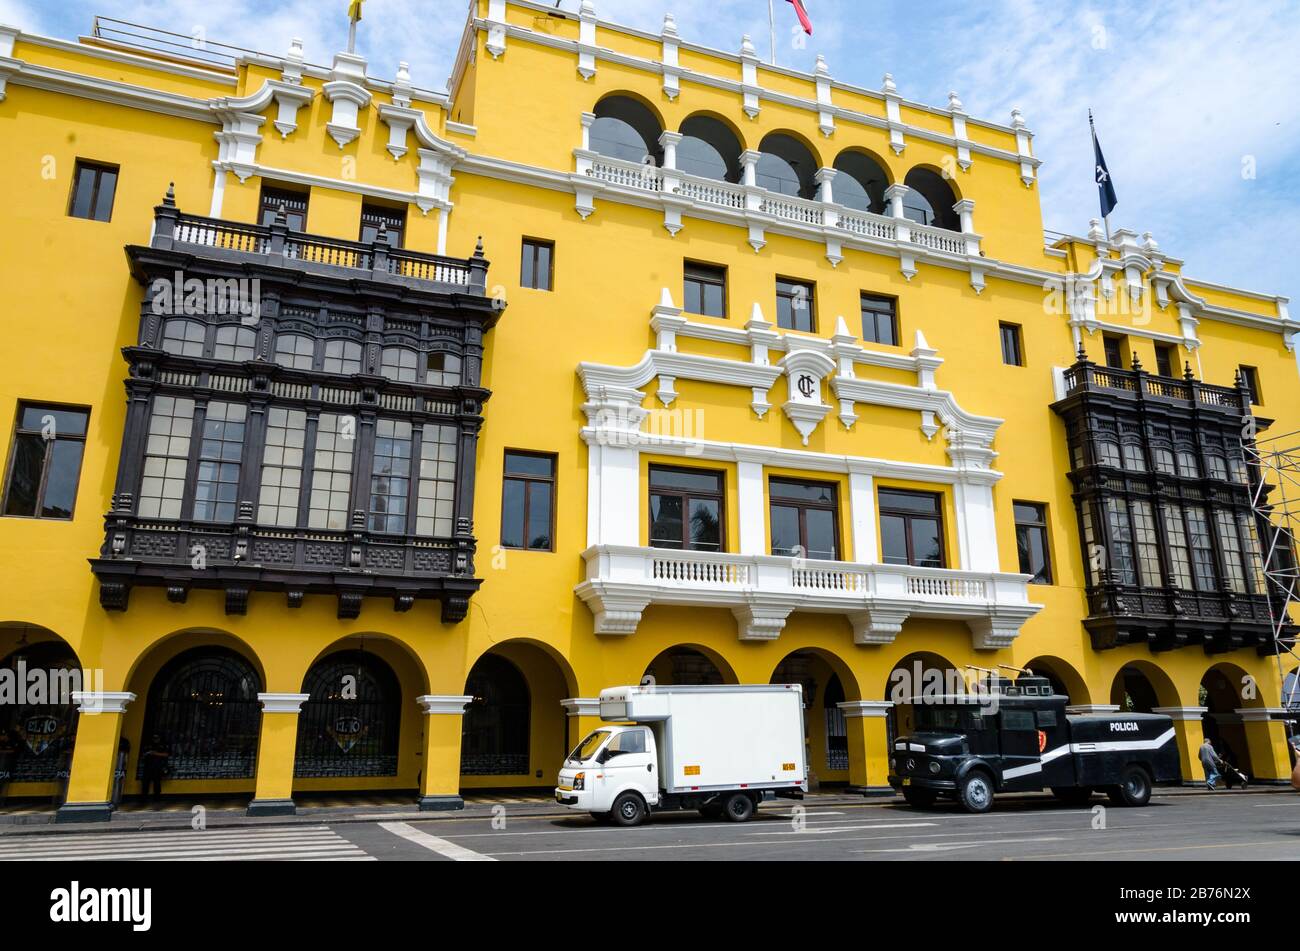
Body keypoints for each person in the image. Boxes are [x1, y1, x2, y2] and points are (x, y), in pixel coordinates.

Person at [140, 734, 170, 801]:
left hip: (157, 767)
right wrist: (147, 753)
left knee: (157, 782)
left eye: (157, 738)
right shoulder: (148, 745)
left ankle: (157, 797)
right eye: (154, 738)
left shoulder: (162, 746)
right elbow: (143, 754)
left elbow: (166, 754)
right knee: (145, 783)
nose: (155, 740)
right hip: (147, 766)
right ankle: (143, 798)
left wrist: (155, 753)